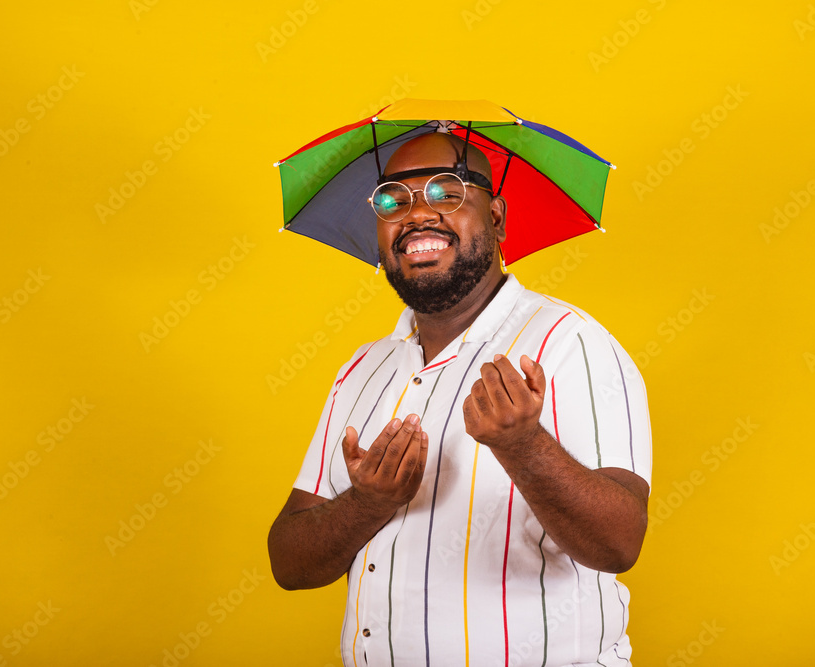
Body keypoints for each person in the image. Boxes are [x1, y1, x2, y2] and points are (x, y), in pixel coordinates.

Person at [268, 130, 652, 667]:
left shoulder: (569, 341)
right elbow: (290, 563)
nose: (416, 215)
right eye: (391, 199)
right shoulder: (362, 368)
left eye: (446, 191)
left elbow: (619, 544)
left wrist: (523, 445)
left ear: (496, 217)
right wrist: (368, 503)